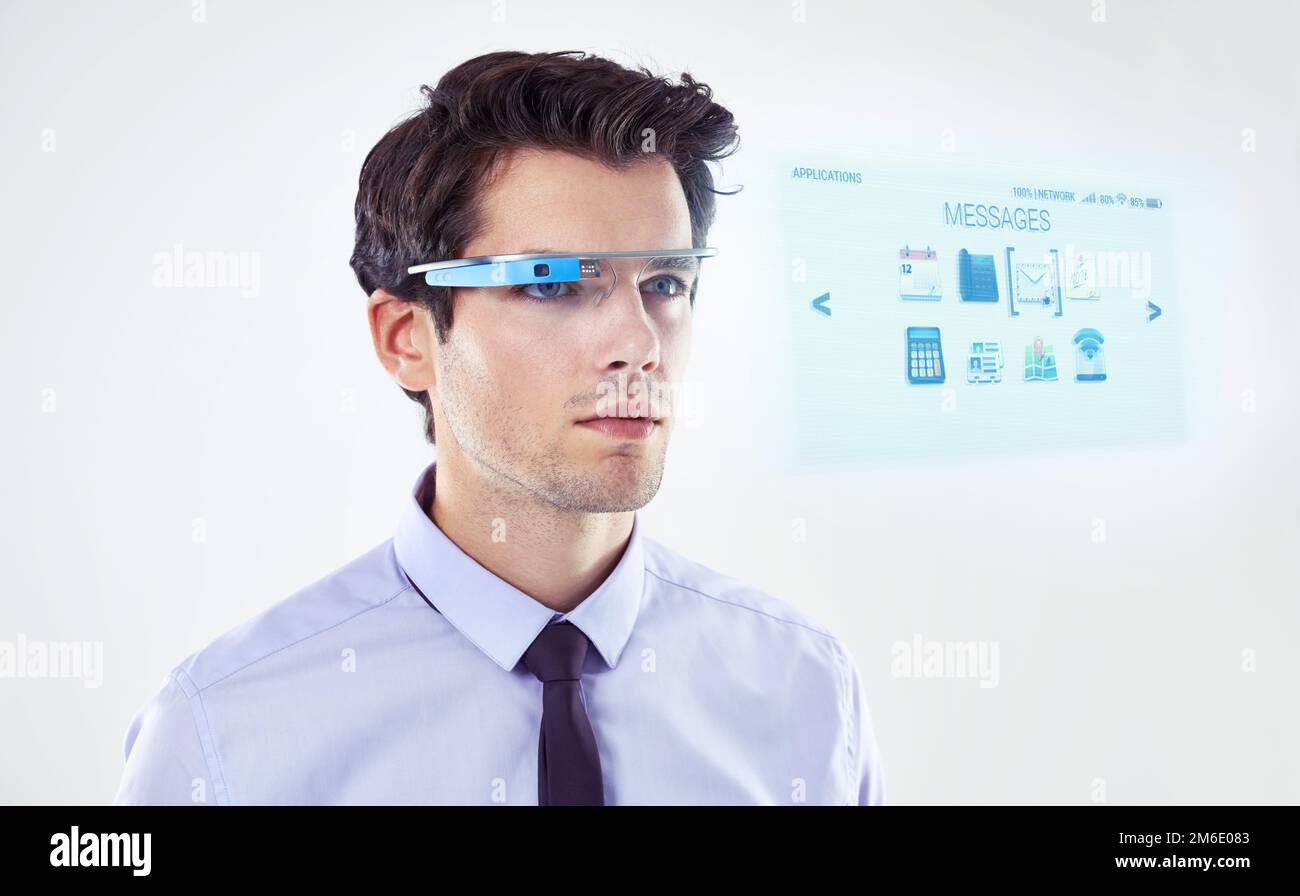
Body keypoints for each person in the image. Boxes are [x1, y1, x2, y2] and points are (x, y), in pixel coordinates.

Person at [114, 49, 885, 806]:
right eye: (552, 285)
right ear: (406, 338)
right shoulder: (223, 734)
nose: (639, 345)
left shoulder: (805, 688)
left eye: (664, 282)